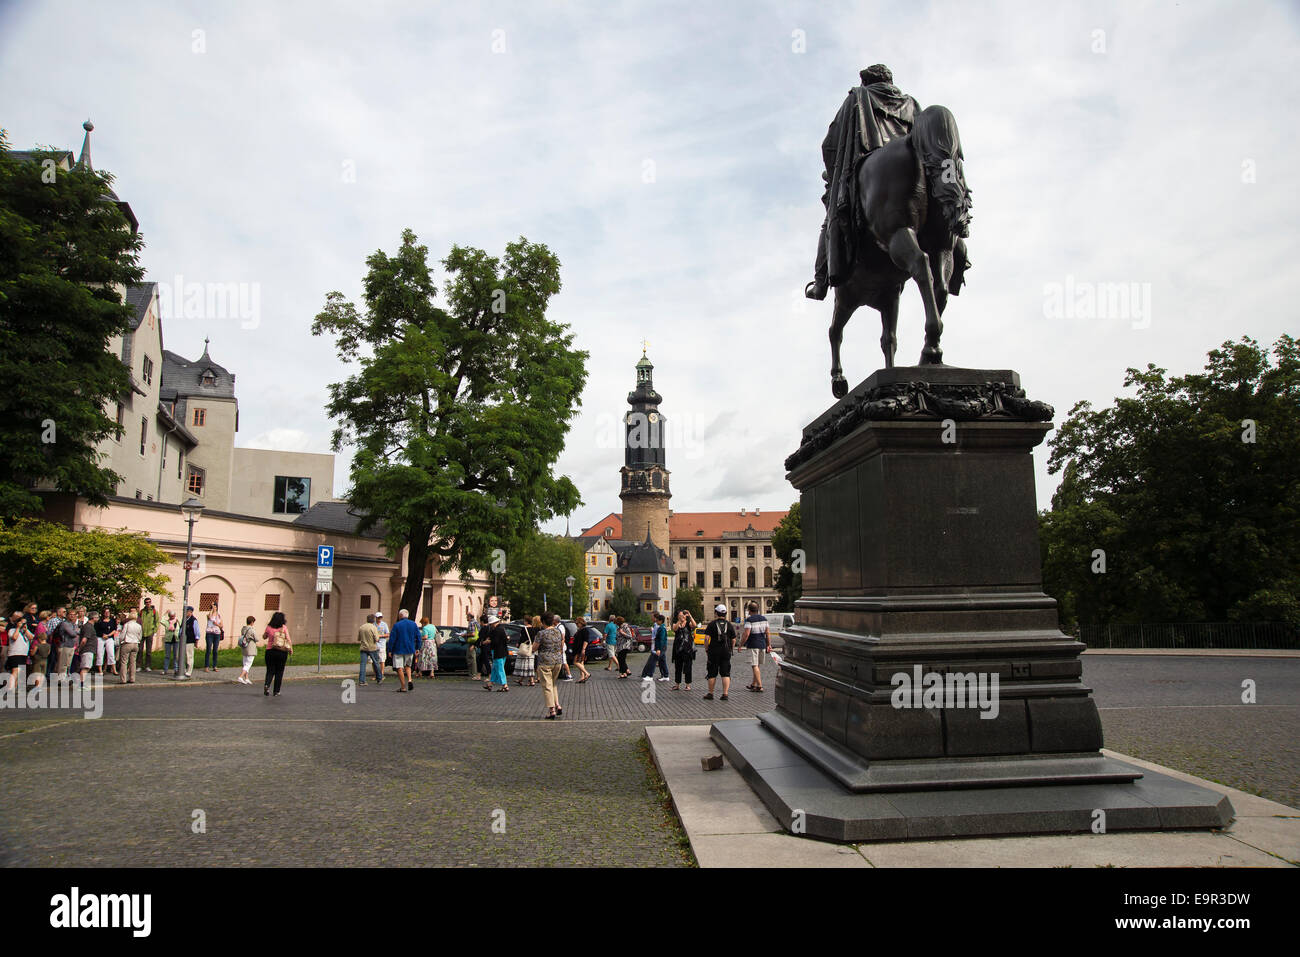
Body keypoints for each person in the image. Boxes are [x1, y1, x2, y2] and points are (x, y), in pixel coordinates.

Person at [807, 63, 922, 300]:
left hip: (866, 169)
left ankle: (820, 283)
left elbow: (830, 143)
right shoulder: (911, 104)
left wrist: (833, 176)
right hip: (913, 178)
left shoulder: (858, 96)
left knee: (829, 220)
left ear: (866, 82)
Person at [703, 604, 736, 701]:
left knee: (712, 673)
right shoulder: (729, 625)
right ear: (725, 613)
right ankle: (725, 694)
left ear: (716, 613)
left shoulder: (712, 624)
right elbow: (733, 639)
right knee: (725, 673)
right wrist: (730, 649)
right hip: (726, 651)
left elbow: (706, 638)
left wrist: (707, 649)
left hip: (714, 651)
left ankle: (710, 693)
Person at [535, 612, 566, 719]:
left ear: (543, 621)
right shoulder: (558, 631)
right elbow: (561, 644)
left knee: (547, 686)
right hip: (557, 661)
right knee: (553, 684)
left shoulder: (541, 633)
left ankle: (551, 709)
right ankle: (558, 705)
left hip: (545, 662)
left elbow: (535, 647)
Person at [740, 601, 772, 692]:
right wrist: (769, 644)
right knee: (757, 665)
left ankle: (760, 686)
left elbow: (746, 634)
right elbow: (768, 633)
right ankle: (753, 684)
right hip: (762, 645)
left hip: (753, 644)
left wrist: (740, 645)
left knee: (754, 665)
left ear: (749, 610)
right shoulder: (764, 619)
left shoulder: (749, 620)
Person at [387, 609, 420, 693]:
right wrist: (417, 648)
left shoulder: (397, 625)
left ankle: (403, 687)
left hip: (398, 649)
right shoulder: (413, 624)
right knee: (408, 666)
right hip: (410, 648)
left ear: (400, 616)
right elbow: (418, 637)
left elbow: (392, 639)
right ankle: (409, 679)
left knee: (399, 667)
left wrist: (390, 649)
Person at [262, 611, 292, 696]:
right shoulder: (284, 628)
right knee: (279, 671)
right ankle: (276, 691)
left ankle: (267, 685)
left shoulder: (269, 627)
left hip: (270, 651)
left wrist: (267, 634)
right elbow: (288, 639)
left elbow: (264, 637)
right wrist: (290, 649)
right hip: (281, 652)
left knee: (270, 670)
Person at [671, 609, 697, 691]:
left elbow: (694, 625)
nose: (681, 616)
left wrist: (690, 615)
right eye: (680, 615)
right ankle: (677, 684)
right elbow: (674, 629)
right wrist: (679, 620)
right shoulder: (676, 624)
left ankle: (688, 685)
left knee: (688, 667)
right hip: (678, 649)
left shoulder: (688, 624)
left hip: (688, 649)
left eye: (683, 615)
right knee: (678, 667)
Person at [5, 611, 31, 690]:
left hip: (23, 654)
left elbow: (31, 637)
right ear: (18, 623)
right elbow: (14, 637)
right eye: (22, 623)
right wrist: (18, 628)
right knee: (15, 671)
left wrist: (26, 630)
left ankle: (14, 688)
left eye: (25, 623)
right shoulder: (12, 630)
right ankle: (9, 688)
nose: (23, 624)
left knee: (19, 672)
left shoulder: (25, 631)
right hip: (15, 653)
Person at [483, 613, 509, 692]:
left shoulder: (497, 630)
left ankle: (505, 685)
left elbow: (495, 642)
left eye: (491, 624)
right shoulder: (502, 629)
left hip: (498, 652)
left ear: (493, 623)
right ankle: (490, 684)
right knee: (494, 669)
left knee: (499, 669)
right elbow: (506, 639)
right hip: (503, 651)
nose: (490, 626)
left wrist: (488, 641)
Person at [641, 613, 670, 682]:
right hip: (662, 647)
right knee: (662, 661)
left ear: (661, 621)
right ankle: (666, 675)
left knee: (653, 661)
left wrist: (658, 649)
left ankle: (650, 675)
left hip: (660, 647)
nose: (656, 622)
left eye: (657, 621)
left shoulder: (661, 628)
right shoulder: (662, 627)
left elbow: (661, 639)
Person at [118, 608, 142, 684]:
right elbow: (140, 636)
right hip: (135, 644)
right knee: (133, 662)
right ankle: (132, 678)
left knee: (124, 662)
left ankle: (123, 679)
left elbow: (122, 635)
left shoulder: (127, 625)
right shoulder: (139, 626)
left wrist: (120, 641)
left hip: (127, 643)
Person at [357, 613, 383, 685]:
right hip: (372, 648)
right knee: (376, 663)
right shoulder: (373, 627)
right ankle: (379, 678)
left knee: (363, 664)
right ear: (373, 620)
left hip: (363, 648)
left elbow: (359, 638)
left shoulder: (361, 627)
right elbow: (377, 639)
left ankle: (362, 680)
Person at [77, 611, 99, 680]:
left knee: (86, 667)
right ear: (93, 618)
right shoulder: (88, 627)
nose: (98, 619)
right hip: (87, 649)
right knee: (86, 667)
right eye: (97, 617)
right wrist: (80, 648)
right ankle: (81, 684)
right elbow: (84, 640)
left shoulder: (89, 626)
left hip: (89, 649)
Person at [513, 618, 536, 687]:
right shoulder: (534, 629)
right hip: (531, 648)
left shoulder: (524, 629)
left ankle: (528, 680)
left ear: (526, 622)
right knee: (530, 665)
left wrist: (519, 644)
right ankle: (529, 680)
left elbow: (522, 638)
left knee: (524, 665)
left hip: (525, 648)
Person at [95, 607, 117, 676]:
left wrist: (109, 635)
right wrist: (102, 635)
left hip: (109, 638)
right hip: (101, 638)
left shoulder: (112, 621)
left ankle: (114, 669)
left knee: (111, 653)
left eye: (108, 612)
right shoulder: (99, 621)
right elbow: (96, 630)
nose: (107, 613)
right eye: (105, 612)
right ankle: (100, 670)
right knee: (100, 653)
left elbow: (114, 629)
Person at [180, 605, 200, 679]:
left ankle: (188, 671)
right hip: (183, 640)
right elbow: (181, 628)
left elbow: (197, 631)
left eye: (187, 611)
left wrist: (196, 640)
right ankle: (183, 669)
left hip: (190, 640)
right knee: (182, 656)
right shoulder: (184, 619)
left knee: (189, 656)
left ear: (190, 612)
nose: (185, 613)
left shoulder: (193, 620)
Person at [139, 598, 159, 672]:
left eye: (149, 602)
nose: (148, 603)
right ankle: (139, 665)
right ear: (144, 603)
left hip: (150, 632)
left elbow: (157, 621)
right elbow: (138, 620)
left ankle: (147, 666)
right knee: (140, 650)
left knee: (148, 651)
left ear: (151, 603)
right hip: (142, 633)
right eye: (146, 602)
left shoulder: (154, 611)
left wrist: (154, 631)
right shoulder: (141, 612)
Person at [237, 616, 258, 684]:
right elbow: (257, 638)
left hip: (244, 647)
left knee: (245, 663)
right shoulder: (252, 630)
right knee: (248, 664)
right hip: (250, 648)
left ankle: (246, 678)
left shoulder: (243, 629)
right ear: (252, 622)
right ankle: (240, 677)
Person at [571, 617, 592, 683]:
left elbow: (586, 640)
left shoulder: (584, 630)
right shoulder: (580, 630)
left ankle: (587, 673)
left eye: (577, 623)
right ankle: (582, 677)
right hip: (579, 649)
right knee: (581, 663)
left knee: (575, 662)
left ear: (581, 623)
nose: (576, 625)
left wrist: (583, 649)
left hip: (580, 649)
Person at [204, 602, 223, 672]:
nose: (213, 607)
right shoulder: (209, 614)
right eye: (212, 606)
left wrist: (217, 624)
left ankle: (215, 666)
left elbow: (221, 625)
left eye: (214, 606)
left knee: (215, 650)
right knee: (208, 649)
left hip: (217, 634)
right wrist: (212, 609)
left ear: (216, 607)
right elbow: (210, 617)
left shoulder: (219, 616)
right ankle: (206, 666)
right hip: (209, 633)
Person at [162, 610, 180, 675]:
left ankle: (176, 669)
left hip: (176, 640)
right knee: (167, 656)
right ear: (169, 616)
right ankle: (165, 669)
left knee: (176, 656)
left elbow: (182, 625)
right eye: (171, 616)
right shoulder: (167, 622)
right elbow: (161, 620)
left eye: (173, 616)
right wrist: (166, 613)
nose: (172, 617)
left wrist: (178, 620)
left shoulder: (177, 621)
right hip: (168, 640)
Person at [465, 614, 482, 681]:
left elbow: (473, 634)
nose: (466, 618)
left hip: (472, 641)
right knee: (471, 657)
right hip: (475, 641)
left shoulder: (472, 623)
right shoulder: (476, 622)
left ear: (469, 617)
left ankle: (473, 674)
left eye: (467, 617)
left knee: (471, 658)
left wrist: (465, 635)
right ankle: (472, 673)